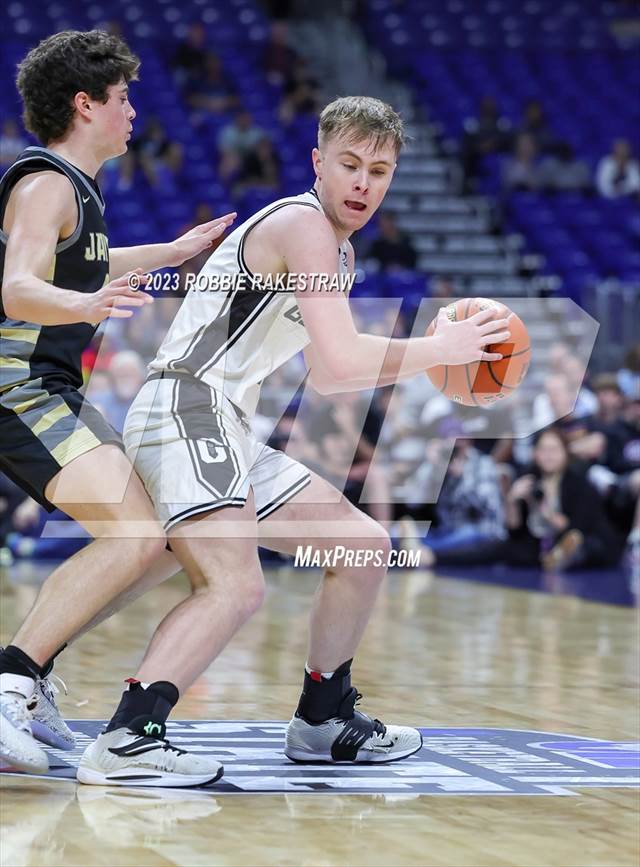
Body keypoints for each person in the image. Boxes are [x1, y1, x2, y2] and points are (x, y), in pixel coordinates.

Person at [74, 95, 512, 783]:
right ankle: (130, 735)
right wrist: (439, 348)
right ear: (318, 161)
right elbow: (339, 363)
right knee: (236, 584)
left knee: (364, 545)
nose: (364, 183)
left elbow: (329, 377)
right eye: (349, 164)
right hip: (189, 402)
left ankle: (322, 719)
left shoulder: (336, 254)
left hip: (225, 420)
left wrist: (433, 350)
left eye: (380, 169)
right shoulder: (304, 224)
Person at [0, 30, 235, 781]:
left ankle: (24, 681)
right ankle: (10, 684)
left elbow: (90, 259)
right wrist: (89, 301)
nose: (133, 111)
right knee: (137, 533)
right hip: (19, 386)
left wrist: (166, 253)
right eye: (123, 97)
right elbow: (16, 287)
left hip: (50, 387)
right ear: (84, 103)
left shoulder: (79, 189)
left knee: (156, 539)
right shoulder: (46, 185)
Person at [504, 427, 621, 572]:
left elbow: (577, 530)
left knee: (591, 547)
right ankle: (554, 558)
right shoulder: (528, 480)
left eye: (554, 450)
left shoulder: (579, 483)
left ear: (565, 453)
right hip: (538, 543)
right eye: (543, 450)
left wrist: (549, 515)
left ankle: (561, 557)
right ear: (535, 453)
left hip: (575, 537)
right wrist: (511, 501)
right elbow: (514, 530)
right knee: (510, 550)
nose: (548, 456)